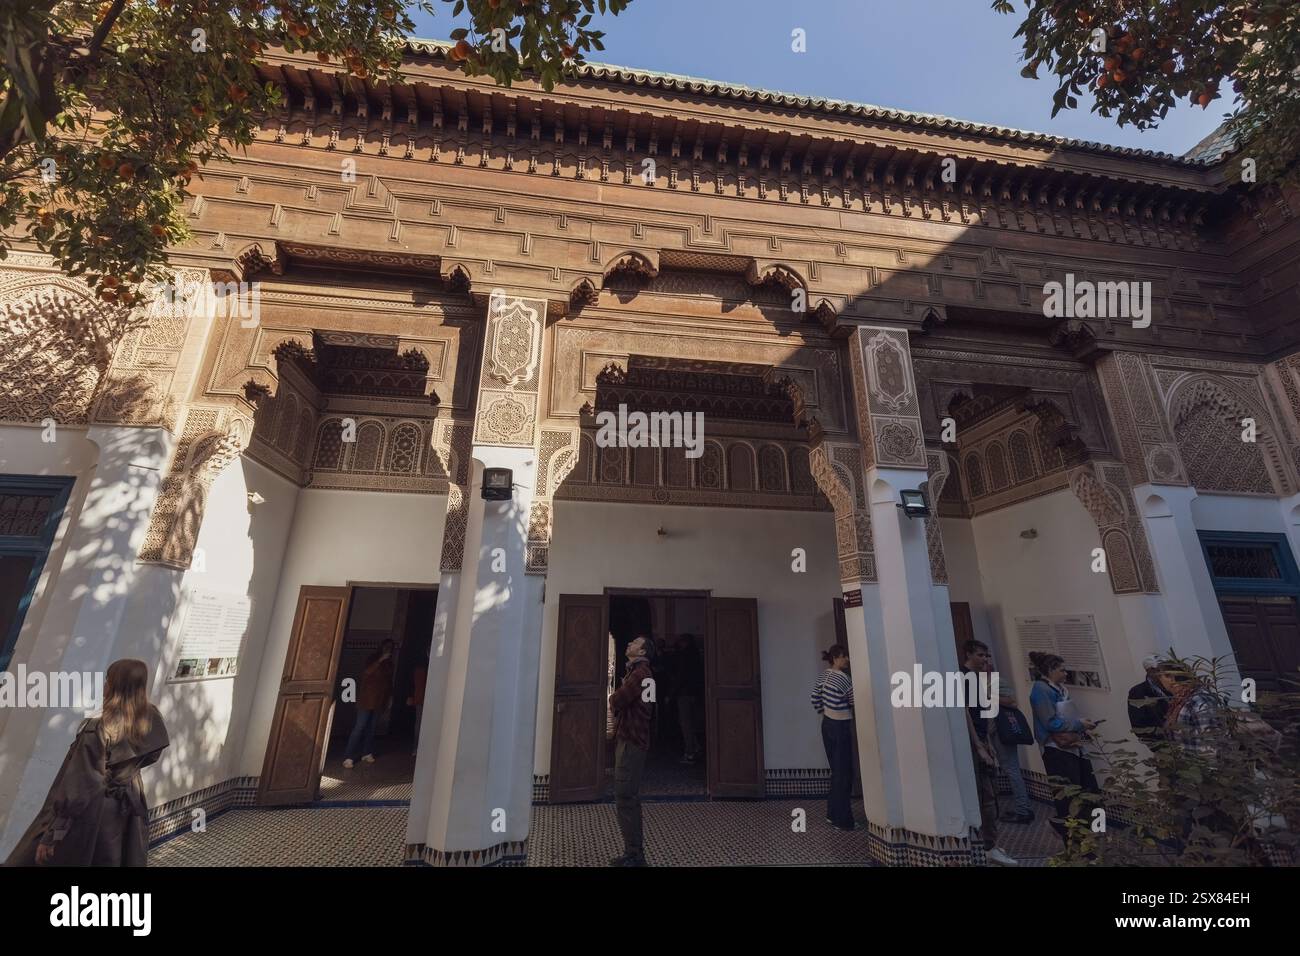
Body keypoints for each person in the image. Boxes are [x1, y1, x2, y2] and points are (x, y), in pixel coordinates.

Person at [5, 658, 170, 867]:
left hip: (89, 813)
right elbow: (152, 754)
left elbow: (78, 785)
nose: (104, 685)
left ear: (115, 685)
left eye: (108, 680)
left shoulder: (99, 728)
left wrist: (52, 835)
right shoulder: (151, 718)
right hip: (126, 807)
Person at [1028, 651, 1101, 846]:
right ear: (1051, 670)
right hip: (1057, 751)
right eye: (1062, 670)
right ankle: (1071, 838)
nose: (1066, 673)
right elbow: (1050, 721)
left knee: (1090, 791)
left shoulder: (1060, 689)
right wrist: (1079, 725)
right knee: (1068, 797)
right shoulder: (1041, 690)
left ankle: (1094, 834)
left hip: (1074, 748)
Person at [961, 641, 1019, 865]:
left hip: (982, 740)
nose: (985, 659)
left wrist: (987, 742)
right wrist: (978, 744)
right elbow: (964, 709)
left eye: (986, 655)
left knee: (989, 794)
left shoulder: (975, 678)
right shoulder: (965, 677)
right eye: (980, 655)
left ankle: (988, 844)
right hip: (975, 743)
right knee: (985, 795)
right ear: (968, 654)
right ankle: (988, 845)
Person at [609, 634, 655, 866]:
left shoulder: (638, 675)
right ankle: (633, 852)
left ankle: (634, 855)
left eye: (635, 643)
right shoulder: (644, 675)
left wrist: (614, 697)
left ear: (643, 652)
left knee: (625, 795)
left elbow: (617, 701)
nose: (629, 644)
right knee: (629, 796)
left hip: (631, 741)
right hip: (635, 739)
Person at [810, 643, 859, 832]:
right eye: (845, 656)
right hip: (841, 726)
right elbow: (854, 701)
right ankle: (843, 820)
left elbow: (814, 698)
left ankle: (832, 814)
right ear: (837, 657)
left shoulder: (824, 675)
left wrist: (826, 712)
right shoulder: (844, 679)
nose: (847, 659)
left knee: (836, 772)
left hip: (827, 725)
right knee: (844, 773)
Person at [344, 639, 395, 769]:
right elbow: (367, 672)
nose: (389, 650)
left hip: (379, 700)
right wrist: (380, 660)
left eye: (391, 648)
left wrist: (389, 698)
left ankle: (367, 752)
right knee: (359, 727)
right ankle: (348, 756)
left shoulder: (390, 664)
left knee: (371, 729)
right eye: (387, 647)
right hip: (366, 700)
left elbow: (389, 682)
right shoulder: (372, 659)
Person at [1127, 654, 1173, 740]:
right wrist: (1160, 746)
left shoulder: (1173, 685)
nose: (1165, 672)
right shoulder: (1138, 692)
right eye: (1160, 669)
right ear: (1150, 671)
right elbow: (1139, 727)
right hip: (1164, 746)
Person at [674, 634, 704, 764]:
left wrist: (671, 693)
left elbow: (681, 676)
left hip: (685, 693)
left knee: (686, 723)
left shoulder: (684, 656)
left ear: (683, 642)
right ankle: (696, 747)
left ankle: (690, 752)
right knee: (693, 722)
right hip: (695, 693)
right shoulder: (696, 654)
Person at [407, 649, 429, 756]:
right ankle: (417, 747)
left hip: (422, 697)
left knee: (420, 723)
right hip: (421, 697)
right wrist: (411, 696)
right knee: (419, 723)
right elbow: (413, 682)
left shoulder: (421, 666)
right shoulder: (421, 666)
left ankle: (419, 748)